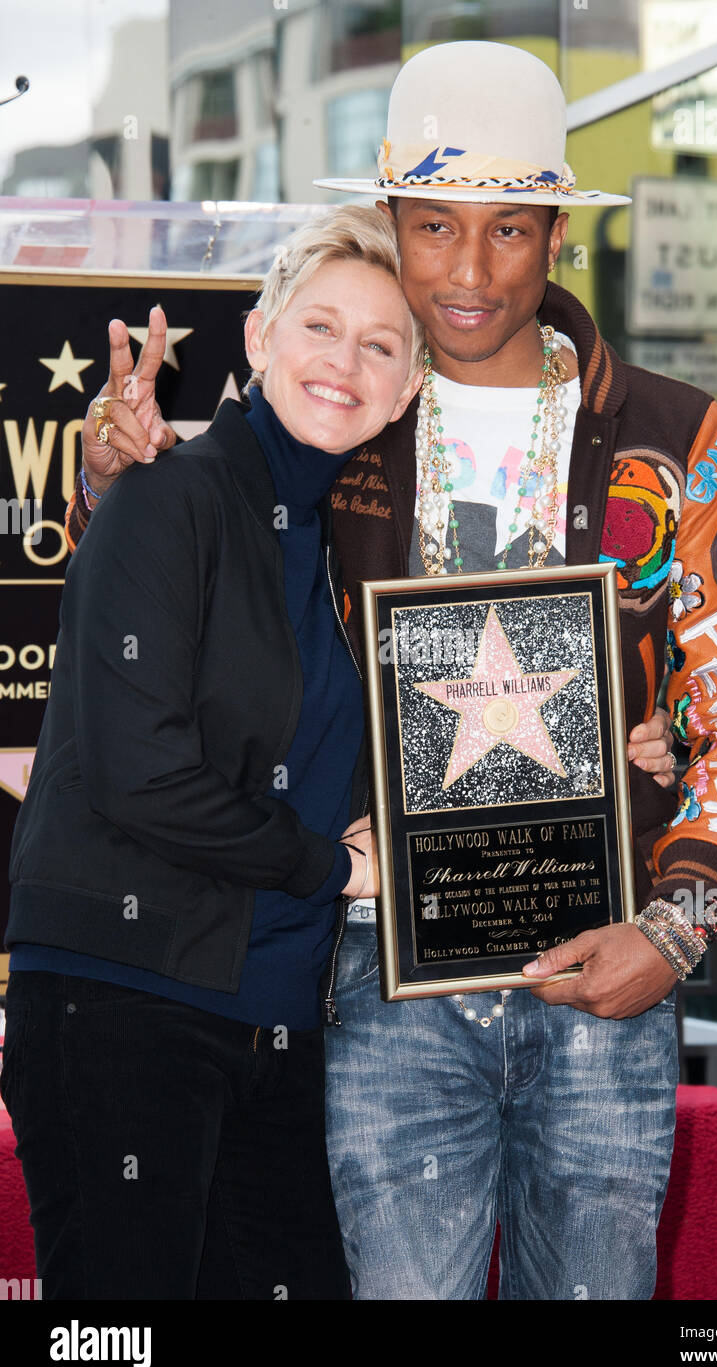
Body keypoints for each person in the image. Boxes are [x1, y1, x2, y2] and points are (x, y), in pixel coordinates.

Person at [55, 42, 717, 1300]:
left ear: (555, 229)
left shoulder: (670, 439)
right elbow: (186, 598)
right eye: (434, 226)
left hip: (600, 970)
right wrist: (108, 486)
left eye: (509, 227)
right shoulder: (333, 417)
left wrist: (673, 935)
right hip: (367, 967)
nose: (467, 268)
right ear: (391, 224)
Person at [0, 206, 426, 1299]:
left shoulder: (348, 543)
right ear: (258, 339)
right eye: (319, 327)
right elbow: (139, 771)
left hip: (275, 1014)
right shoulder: (163, 496)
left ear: (410, 385)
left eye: (381, 344)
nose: (345, 361)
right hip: (122, 1003)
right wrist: (329, 866)